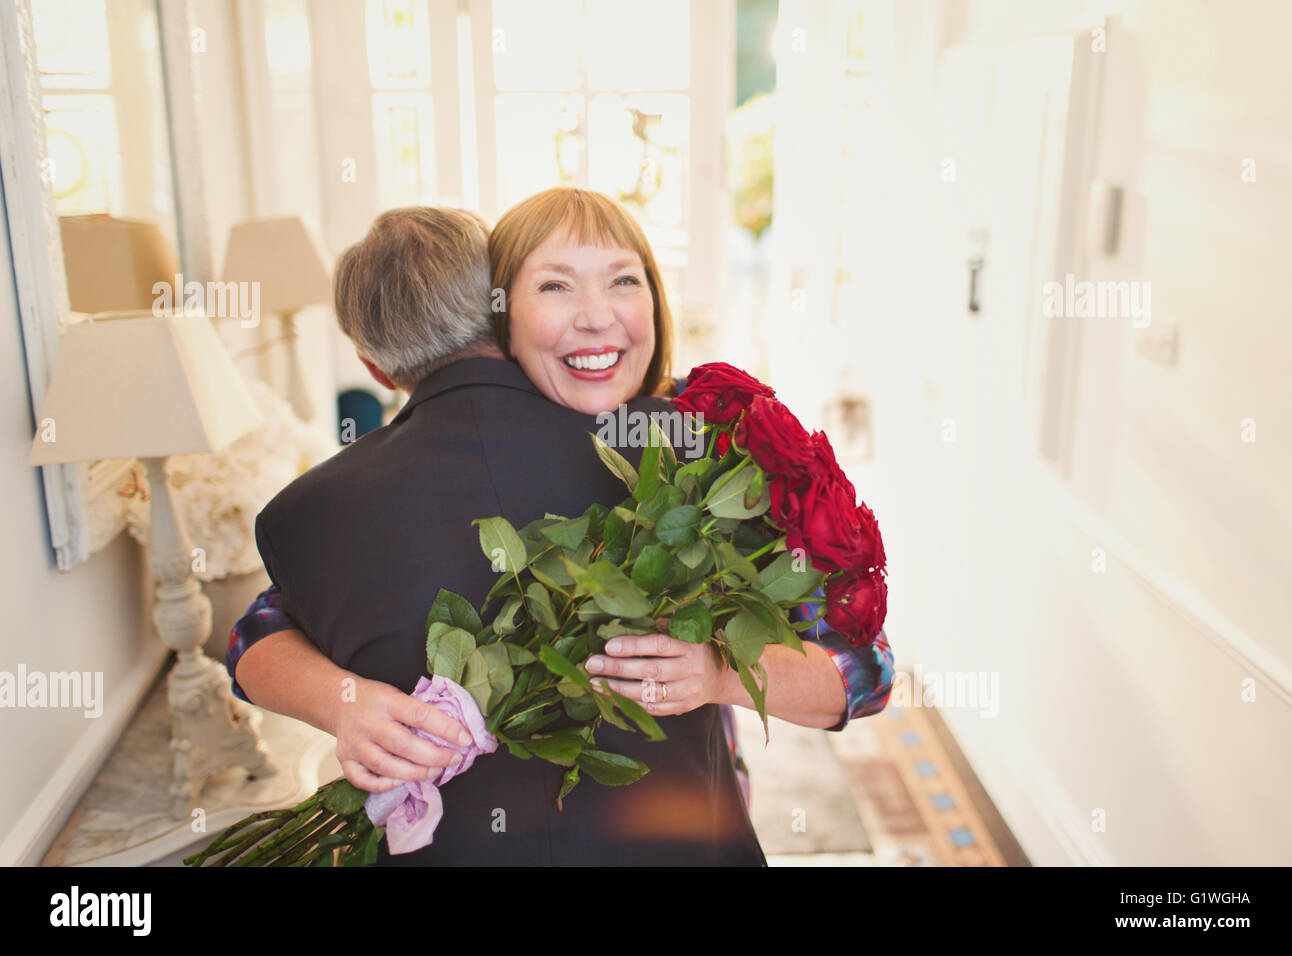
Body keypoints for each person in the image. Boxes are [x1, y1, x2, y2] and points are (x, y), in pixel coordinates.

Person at [231, 189, 895, 864]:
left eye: (623, 281)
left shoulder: (305, 515)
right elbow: (867, 670)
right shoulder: (690, 448)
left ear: (374, 367)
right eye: (554, 286)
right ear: (500, 318)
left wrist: (721, 674)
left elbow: (253, 634)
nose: (595, 317)